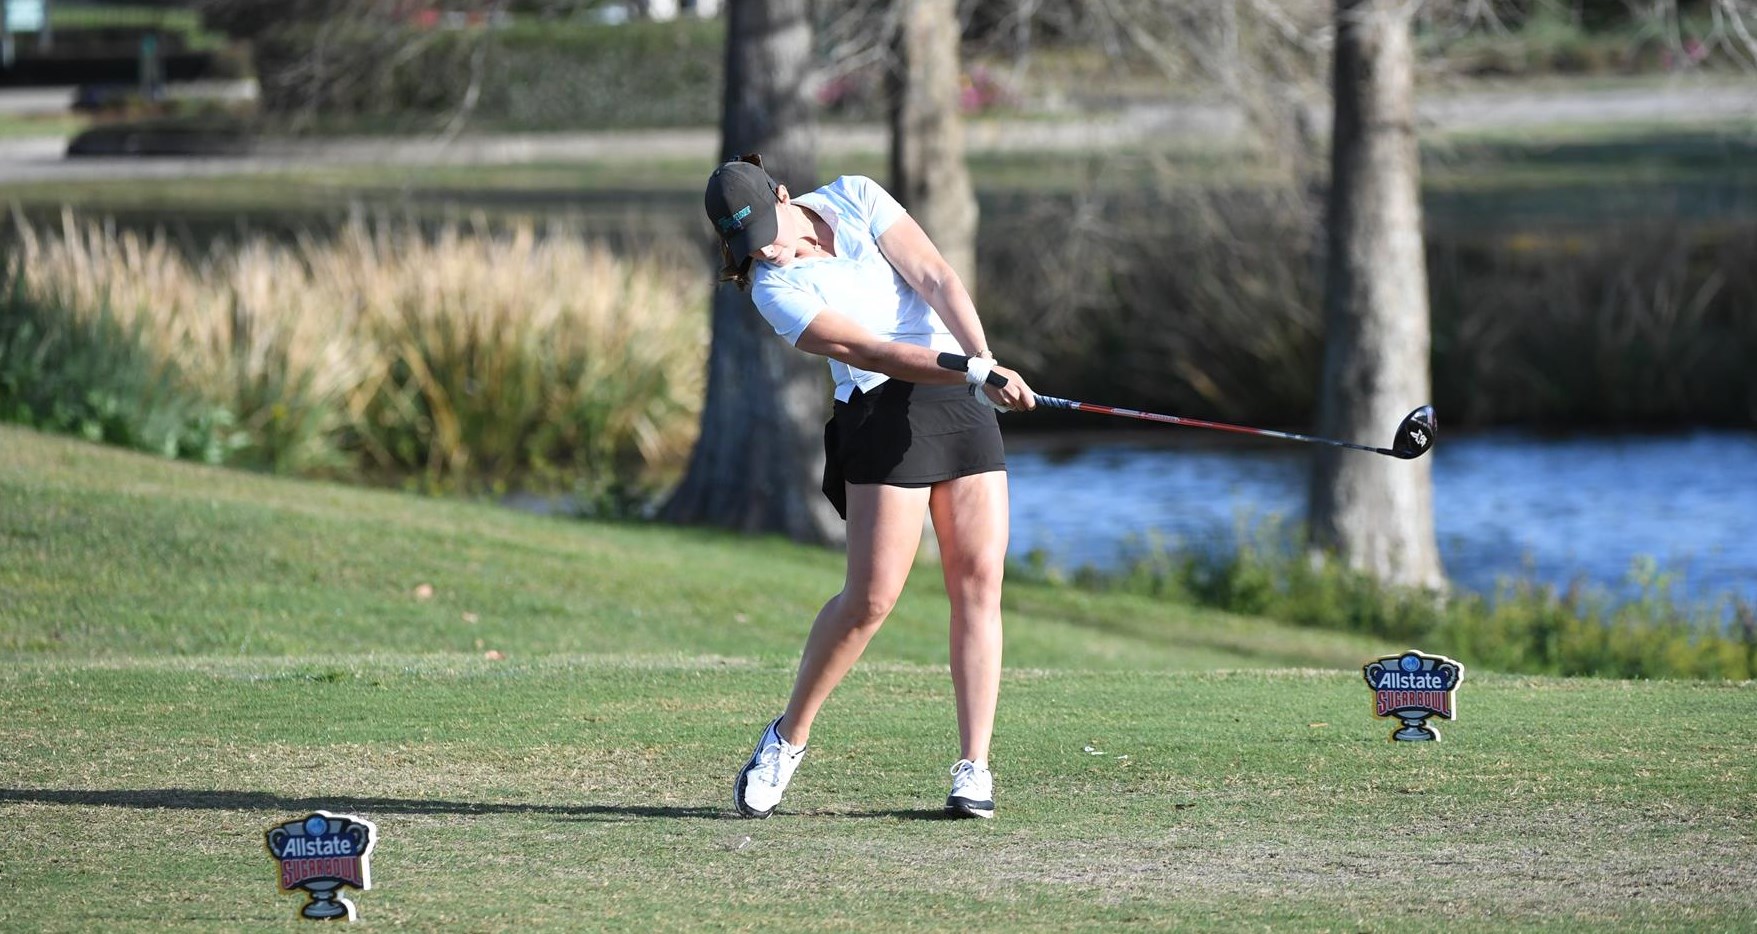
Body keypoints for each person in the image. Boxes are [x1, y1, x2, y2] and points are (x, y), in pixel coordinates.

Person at [703, 154, 1036, 820]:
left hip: (959, 393)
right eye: (749, 242)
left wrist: (984, 362)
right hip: (882, 409)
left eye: (769, 224)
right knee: (871, 599)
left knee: (977, 579)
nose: (767, 246)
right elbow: (871, 353)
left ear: (783, 193)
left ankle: (974, 769)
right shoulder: (772, 289)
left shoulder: (855, 197)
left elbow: (935, 276)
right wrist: (968, 370)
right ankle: (786, 737)